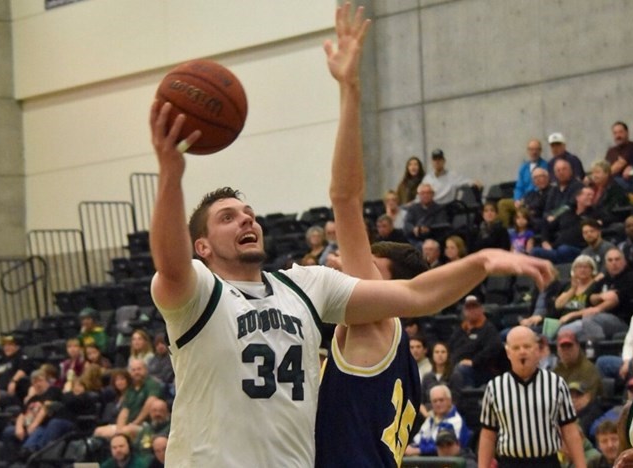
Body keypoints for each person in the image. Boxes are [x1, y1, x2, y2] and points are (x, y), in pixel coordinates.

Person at [148, 5, 550, 465]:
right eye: (228, 217)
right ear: (201, 246)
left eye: (250, 213)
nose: (246, 220)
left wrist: (480, 262)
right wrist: (170, 176)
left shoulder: (309, 286)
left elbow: (407, 278)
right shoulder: (200, 291)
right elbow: (171, 263)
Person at [316, 14, 434, 465]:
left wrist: (350, 92)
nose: (349, 275)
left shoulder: (374, 320)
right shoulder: (400, 356)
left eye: (365, 271)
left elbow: (345, 198)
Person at [478, 326, 586, 468]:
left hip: (547, 462)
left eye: (527, 346)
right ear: (508, 352)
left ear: (537, 349)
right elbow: (488, 435)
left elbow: (570, 430)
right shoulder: (495, 387)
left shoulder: (556, 384)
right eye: (516, 348)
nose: (522, 351)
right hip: (510, 463)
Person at [449, 295, 505, 388]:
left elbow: (494, 347)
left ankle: (469, 397)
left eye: (474, 307)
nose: (471, 311)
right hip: (456, 366)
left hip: (480, 370)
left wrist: (474, 361)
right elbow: (451, 346)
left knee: (461, 370)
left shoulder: (489, 329)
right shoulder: (460, 329)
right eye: (468, 308)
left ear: (481, 309)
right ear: (464, 311)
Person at [532, 187, 596, 264]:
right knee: (535, 251)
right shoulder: (566, 212)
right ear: (578, 197)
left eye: (592, 195)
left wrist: (600, 221)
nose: (591, 197)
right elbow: (547, 225)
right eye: (588, 195)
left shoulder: (594, 213)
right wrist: (545, 241)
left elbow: (609, 218)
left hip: (578, 249)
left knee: (564, 250)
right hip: (556, 248)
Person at [406, 385, 470, 456]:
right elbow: (418, 439)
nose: (438, 404)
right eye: (435, 401)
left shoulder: (456, 421)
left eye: (441, 400)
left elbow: (444, 447)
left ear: (449, 400)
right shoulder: (431, 418)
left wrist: (418, 450)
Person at [553, 329, 603, 402]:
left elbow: (584, 400)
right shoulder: (556, 370)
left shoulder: (588, 370)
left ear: (577, 346)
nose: (566, 351)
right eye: (563, 347)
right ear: (558, 349)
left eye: (569, 346)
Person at [0, 335, 34, 408]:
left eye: (10, 345)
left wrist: (13, 381)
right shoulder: (5, 361)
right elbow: (1, 378)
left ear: (17, 346)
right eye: (5, 345)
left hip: (13, 393)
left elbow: (23, 370)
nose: (6, 348)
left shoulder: (22, 357)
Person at [403, 183, 449, 248]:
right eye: (423, 193)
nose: (425, 195)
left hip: (433, 239)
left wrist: (428, 228)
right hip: (415, 239)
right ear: (419, 195)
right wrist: (414, 229)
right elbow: (407, 223)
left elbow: (442, 225)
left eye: (428, 193)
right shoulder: (413, 208)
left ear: (433, 194)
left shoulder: (440, 209)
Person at [589, 160, 629, 226]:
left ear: (607, 173)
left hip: (607, 222)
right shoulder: (591, 188)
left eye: (597, 172)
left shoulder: (616, 190)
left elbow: (615, 212)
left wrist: (601, 221)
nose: (594, 176)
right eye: (592, 173)